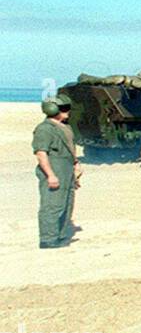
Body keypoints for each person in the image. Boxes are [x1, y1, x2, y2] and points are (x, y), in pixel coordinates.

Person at [33, 94, 80, 249]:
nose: (68, 112)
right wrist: (50, 175)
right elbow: (41, 153)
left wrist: (76, 165)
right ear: (53, 110)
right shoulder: (45, 129)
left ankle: (59, 235)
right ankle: (48, 239)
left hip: (66, 170)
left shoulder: (66, 127)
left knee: (67, 203)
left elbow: (71, 149)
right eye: (64, 109)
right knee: (52, 205)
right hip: (54, 169)